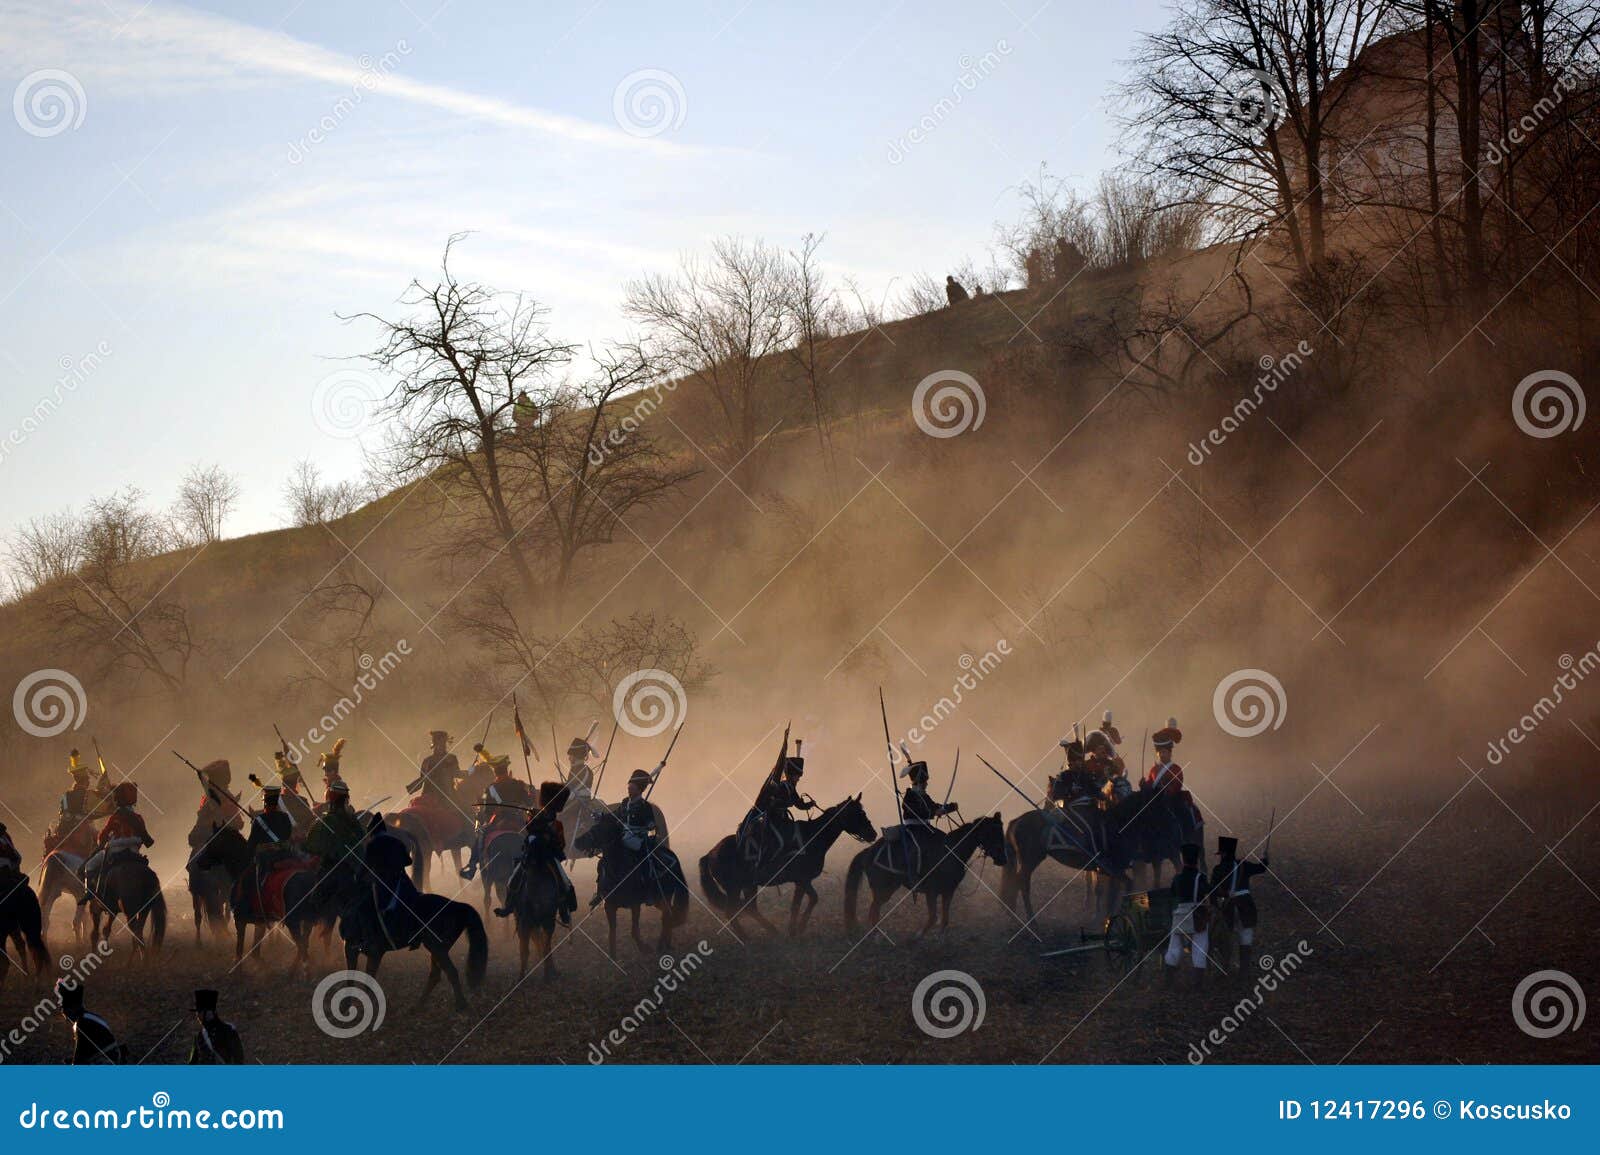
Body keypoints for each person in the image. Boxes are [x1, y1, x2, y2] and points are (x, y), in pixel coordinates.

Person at [495, 781, 576, 924]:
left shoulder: (556, 824)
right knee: (512, 879)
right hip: (531, 856)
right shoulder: (534, 816)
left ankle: (564, 910)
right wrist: (531, 816)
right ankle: (508, 907)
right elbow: (528, 829)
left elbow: (561, 844)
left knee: (565, 883)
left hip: (549, 858)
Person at [459, 748, 534, 880]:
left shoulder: (491, 788)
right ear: (506, 768)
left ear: (495, 771)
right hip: (519, 822)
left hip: (499, 822)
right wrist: (531, 792)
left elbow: (487, 811)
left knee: (480, 838)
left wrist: (480, 815)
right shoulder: (518, 784)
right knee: (534, 838)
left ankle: (471, 867)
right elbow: (529, 803)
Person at [741, 730, 815, 864]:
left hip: (783, 819)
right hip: (773, 819)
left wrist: (810, 804)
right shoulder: (782, 786)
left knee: (796, 831)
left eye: (798, 776)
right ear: (791, 775)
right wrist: (785, 803)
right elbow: (772, 803)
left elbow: (799, 804)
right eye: (796, 776)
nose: (798, 779)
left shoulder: (791, 788)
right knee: (776, 839)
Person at [78, 782, 153, 903]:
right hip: (134, 851)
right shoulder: (138, 818)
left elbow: (102, 836)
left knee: (89, 866)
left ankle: (89, 892)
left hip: (115, 850)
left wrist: (102, 841)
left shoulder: (115, 817)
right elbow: (143, 838)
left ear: (117, 799)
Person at [1211, 835, 1270, 970]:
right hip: (1246, 904)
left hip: (1229, 906)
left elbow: (1213, 892)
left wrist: (1216, 908)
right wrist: (1265, 858)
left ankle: (1225, 966)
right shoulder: (1243, 865)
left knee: (1226, 937)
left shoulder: (1217, 869)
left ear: (1223, 854)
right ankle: (1244, 970)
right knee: (1246, 936)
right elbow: (1261, 868)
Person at [898, 758, 956, 886]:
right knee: (918, 848)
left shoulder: (924, 796)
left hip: (925, 827)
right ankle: (914, 877)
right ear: (918, 783)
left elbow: (934, 807)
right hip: (913, 828)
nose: (926, 784)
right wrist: (933, 813)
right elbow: (915, 812)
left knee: (944, 839)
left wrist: (949, 808)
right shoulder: (909, 797)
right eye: (924, 782)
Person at [1164, 842, 1211, 986]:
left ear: (1183, 859)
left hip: (1179, 915)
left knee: (1174, 947)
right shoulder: (1200, 877)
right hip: (1197, 915)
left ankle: (1169, 979)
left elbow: (1172, 894)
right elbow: (1207, 891)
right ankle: (1197, 983)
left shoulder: (1177, 878)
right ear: (1196, 860)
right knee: (1200, 946)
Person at [57, 980, 123, 1064]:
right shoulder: (88, 1017)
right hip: (112, 1055)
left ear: (72, 1009)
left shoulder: (82, 1024)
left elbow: (79, 1058)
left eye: (65, 1011)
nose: (65, 1017)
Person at [305, 780, 367, 870]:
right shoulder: (354, 821)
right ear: (347, 799)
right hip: (353, 871)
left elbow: (311, 847)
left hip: (331, 872)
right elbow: (362, 840)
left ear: (330, 800)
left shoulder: (322, 822)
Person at [187, 989, 244, 1064]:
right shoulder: (199, 1036)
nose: (197, 1016)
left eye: (199, 1012)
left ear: (209, 1013)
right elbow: (192, 1062)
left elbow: (238, 1059)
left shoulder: (228, 1031)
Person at [414, 730, 463, 800]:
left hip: (446, 795)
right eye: (439, 743)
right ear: (434, 744)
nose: (441, 746)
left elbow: (457, 773)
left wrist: (472, 771)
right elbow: (423, 779)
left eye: (442, 743)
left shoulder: (451, 758)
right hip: (434, 796)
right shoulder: (428, 761)